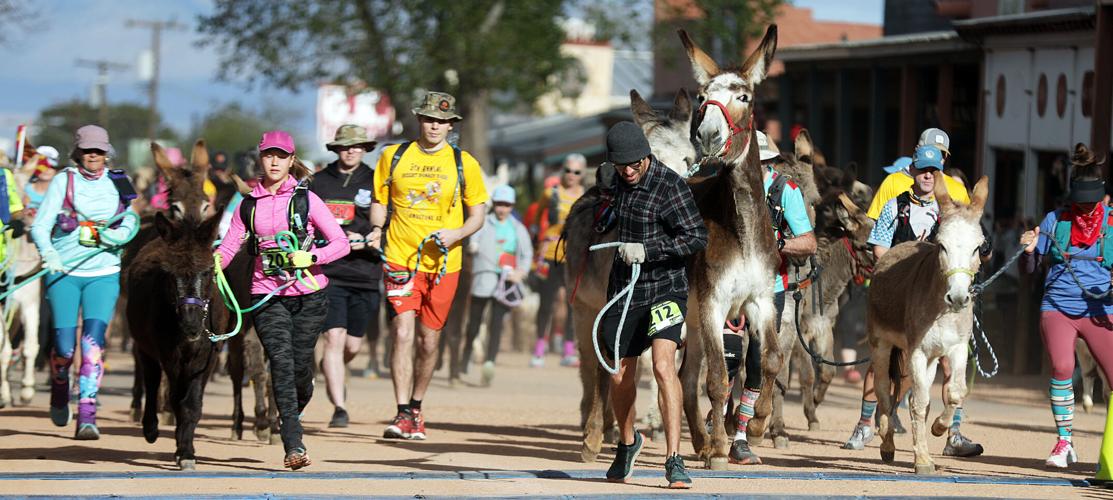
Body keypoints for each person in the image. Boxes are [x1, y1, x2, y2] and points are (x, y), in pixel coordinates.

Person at [215, 130, 350, 469]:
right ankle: (293, 442)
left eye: (281, 155)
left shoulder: (307, 200)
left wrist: (312, 257)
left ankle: (294, 407)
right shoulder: (248, 205)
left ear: (291, 161)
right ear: (260, 159)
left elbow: (341, 243)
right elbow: (230, 245)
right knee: (280, 362)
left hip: (309, 295)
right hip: (266, 296)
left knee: (300, 368)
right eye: (268, 155)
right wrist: (210, 264)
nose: (274, 161)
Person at [843, 144, 985, 458]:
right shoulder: (896, 204)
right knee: (880, 362)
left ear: (940, 174)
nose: (927, 177)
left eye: (933, 171)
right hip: (901, 284)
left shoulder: (954, 208)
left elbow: (975, 245)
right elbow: (879, 250)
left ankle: (954, 431)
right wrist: (906, 259)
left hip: (945, 288)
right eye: (922, 170)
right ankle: (871, 421)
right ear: (913, 171)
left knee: (952, 366)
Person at [369, 91, 488, 441]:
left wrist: (457, 233)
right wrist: (377, 229)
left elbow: (478, 214)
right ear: (419, 120)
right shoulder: (393, 156)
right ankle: (402, 411)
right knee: (402, 331)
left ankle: (417, 406)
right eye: (429, 119)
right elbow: (379, 200)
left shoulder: (464, 163)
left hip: (444, 264)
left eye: (442, 121)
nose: (435, 126)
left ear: (451, 125)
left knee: (427, 339)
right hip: (399, 257)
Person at [600, 121, 707, 489]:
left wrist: (650, 251)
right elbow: (604, 221)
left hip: (666, 287)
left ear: (646, 156)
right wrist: (603, 202)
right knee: (619, 374)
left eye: (633, 164)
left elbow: (696, 236)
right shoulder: (615, 181)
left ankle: (674, 459)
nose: (628, 172)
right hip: (626, 289)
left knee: (664, 367)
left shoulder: (670, 186)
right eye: (620, 167)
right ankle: (628, 444)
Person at [30, 125, 138, 440]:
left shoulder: (119, 181)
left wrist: (118, 234)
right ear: (77, 152)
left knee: (93, 345)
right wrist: (49, 253)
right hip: (63, 271)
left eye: (100, 150)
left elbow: (130, 217)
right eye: (88, 150)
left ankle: (87, 414)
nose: (94, 155)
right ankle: (59, 382)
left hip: (103, 273)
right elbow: (40, 225)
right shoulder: (64, 181)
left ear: (107, 152)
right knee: (64, 347)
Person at [724, 131, 816, 465]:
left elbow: (808, 242)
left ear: (768, 162)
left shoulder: (785, 191)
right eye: (749, 161)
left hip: (770, 288)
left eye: (760, 162)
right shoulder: (726, 186)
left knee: (757, 362)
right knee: (727, 358)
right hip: (728, 288)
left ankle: (740, 434)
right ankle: (720, 421)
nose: (753, 167)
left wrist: (776, 245)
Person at [1018, 143, 1113, 468]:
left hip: (1101, 310)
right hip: (1057, 305)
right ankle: (1064, 441)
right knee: (1061, 368)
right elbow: (1030, 272)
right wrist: (1029, 251)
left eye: (1091, 203)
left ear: (1102, 197)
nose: (1085, 209)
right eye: (1080, 202)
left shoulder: (1112, 224)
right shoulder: (1054, 220)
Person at [310, 124, 382, 428]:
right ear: (336, 149)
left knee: (352, 345)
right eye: (344, 146)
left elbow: (383, 219)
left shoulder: (375, 180)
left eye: (356, 146)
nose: (350, 150)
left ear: (365, 148)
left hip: (365, 272)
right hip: (330, 272)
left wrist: (372, 235)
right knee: (333, 339)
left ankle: (333, 369)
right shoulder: (318, 182)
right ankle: (340, 407)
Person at [462, 185, 532, 386]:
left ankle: (489, 364)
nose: (502, 208)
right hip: (483, 279)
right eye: (500, 204)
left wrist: (521, 272)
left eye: (507, 205)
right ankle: (465, 359)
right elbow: (473, 238)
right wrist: (472, 245)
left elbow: (527, 254)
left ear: (512, 206)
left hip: (506, 284)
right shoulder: (483, 223)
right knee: (474, 324)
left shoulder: (518, 228)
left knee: (496, 325)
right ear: (494, 204)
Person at [532, 154, 587, 367]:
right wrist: (539, 240)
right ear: (562, 170)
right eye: (568, 170)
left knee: (572, 302)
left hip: (573, 256)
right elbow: (537, 219)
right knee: (546, 302)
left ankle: (568, 348)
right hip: (550, 255)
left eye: (576, 172)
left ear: (582, 175)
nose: (571, 175)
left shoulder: (585, 196)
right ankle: (539, 347)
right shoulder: (551, 193)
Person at [866, 128, 970, 220]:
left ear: (946, 156)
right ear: (917, 150)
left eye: (941, 153)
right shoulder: (893, 181)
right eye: (931, 152)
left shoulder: (959, 189)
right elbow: (873, 223)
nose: (936, 157)